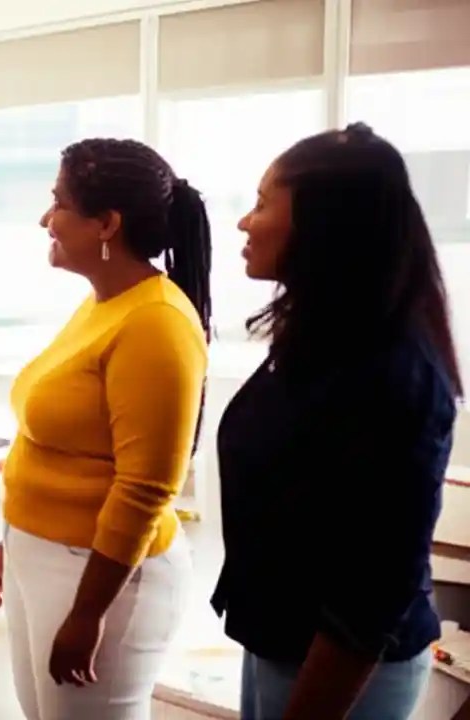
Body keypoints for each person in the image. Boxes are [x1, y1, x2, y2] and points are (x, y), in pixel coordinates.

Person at [213, 123, 460, 720]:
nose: (245, 222)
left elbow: (373, 588)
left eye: (263, 202)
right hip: (278, 640)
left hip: (339, 669)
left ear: (325, 222)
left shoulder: (394, 373)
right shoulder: (322, 339)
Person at [0, 138, 212, 719]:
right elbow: (62, 447)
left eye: (58, 203)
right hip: (45, 555)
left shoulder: (156, 322)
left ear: (106, 223)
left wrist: (88, 614)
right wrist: (12, 537)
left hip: (101, 578)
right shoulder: (103, 303)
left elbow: (145, 488)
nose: (44, 219)